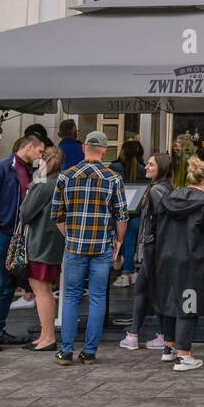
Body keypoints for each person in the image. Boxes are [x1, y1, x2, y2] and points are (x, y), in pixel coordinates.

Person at [51, 131, 129, 364]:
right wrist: (119, 242)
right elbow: (121, 216)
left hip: (75, 245)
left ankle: (65, 351)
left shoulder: (65, 177)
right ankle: (89, 351)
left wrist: (71, 236)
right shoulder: (113, 178)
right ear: (105, 150)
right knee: (97, 297)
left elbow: (57, 215)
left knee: (72, 296)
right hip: (102, 245)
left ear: (84, 147)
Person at [151, 157, 204, 371]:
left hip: (166, 257)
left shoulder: (168, 198)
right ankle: (184, 354)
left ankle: (169, 346)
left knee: (169, 301)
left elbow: (156, 227)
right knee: (188, 304)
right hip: (194, 259)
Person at [0, 133, 45, 351]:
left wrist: (41, 171)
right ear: (29, 147)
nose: (41, 155)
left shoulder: (30, 170)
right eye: (40, 151)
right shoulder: (1, 168)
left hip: (18, 235)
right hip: (2, 233)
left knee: (8, 283)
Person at [119, 151, 174, 351]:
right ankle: (159, 334)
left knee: (144, 288)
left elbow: (162, 220)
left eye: (151, 164)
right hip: (158, 246)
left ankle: (135, 335)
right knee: (150, 289)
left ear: (161, 167)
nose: (147, 167)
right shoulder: (164, 188)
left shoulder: (155, 190)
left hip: (154, 246)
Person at [15, 144, 65, 351]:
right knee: (45, 289)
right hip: (53, 242)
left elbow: (25, 213)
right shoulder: (60, 182)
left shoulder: (43, 184)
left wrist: (32, 186)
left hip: (39, 243)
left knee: (41, 289)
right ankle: (45, 335)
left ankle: (48, 337)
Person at [110, 140, 146, 288]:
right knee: (130, 240)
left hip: (117, 211)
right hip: (135, 211)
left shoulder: (114, 167)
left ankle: (126, 270)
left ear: (123, 152)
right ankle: (129, 271)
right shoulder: (142, 170)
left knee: (119, 239)